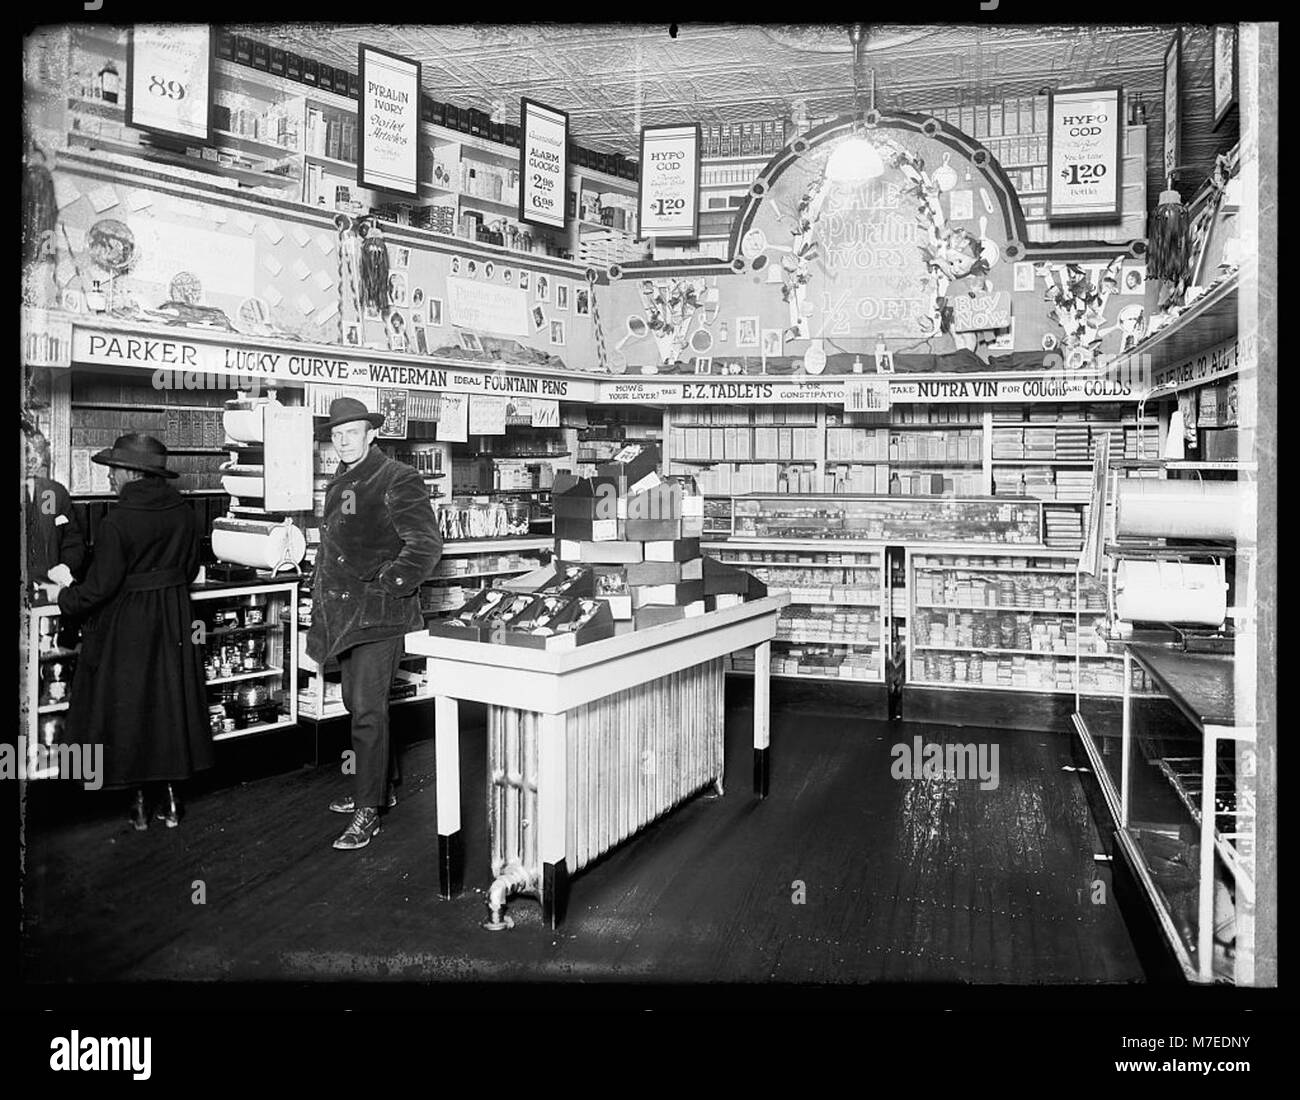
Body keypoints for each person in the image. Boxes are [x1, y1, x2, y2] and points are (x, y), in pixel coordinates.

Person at [38, 435, 213, 830]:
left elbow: (100, 587)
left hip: (129, 624)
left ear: (133, 472)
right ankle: (171, 799)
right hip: (173, 619)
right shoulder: (184, 513)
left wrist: (64, 595)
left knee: (129, 710)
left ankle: (138, 806)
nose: (111, 478)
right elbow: (187, 571)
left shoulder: (117, 520)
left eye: (114, 470)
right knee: (168, 705)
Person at [310, 398, 442, 850]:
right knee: (355, 702)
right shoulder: (342, 480)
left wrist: (390, 582)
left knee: (367, 710)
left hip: (381, 614)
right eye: (337, 434)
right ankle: (379, 785)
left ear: (372, 434)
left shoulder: (397, 478)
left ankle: (369, 810)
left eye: (353, 432)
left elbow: (425, 545)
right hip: (347, 615)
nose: (344, 440)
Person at [23, 423, 86, 594]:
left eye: (39, 451)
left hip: (48, 591)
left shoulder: (51, 493)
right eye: (26, 450)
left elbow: (72, 541)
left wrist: (65, 566)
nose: (33, 458)